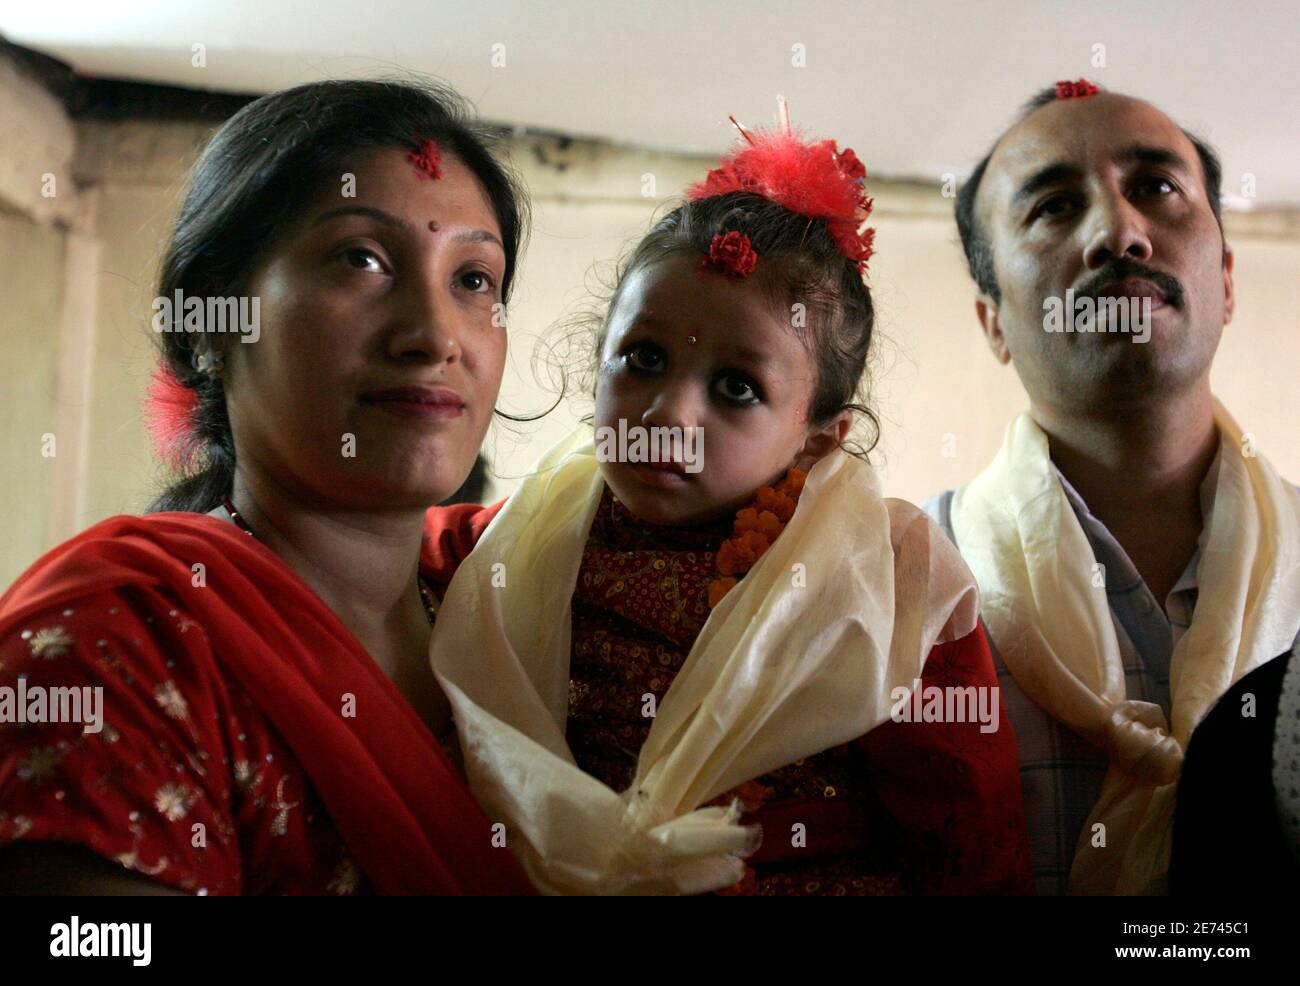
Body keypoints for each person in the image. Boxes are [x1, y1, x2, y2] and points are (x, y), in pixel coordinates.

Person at [429, 103, 1033, 896]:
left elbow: (968, 849)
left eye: (736, 387)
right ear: (596, 362)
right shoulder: (487, 555)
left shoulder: (892, 585)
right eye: (641, 358)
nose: (668, 415)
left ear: (819, 438)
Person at [0, 79, 536, 895]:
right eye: (361, 258)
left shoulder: (523, 599)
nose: (433, 337)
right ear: (212, 326)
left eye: (474, 279)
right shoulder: (116, 641)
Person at [923, 80, 1300, 894]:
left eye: (1157, 188)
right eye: (1055, 206)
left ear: (1227, 282)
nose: (1119, 233)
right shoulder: (899, 584)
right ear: (993, 322)